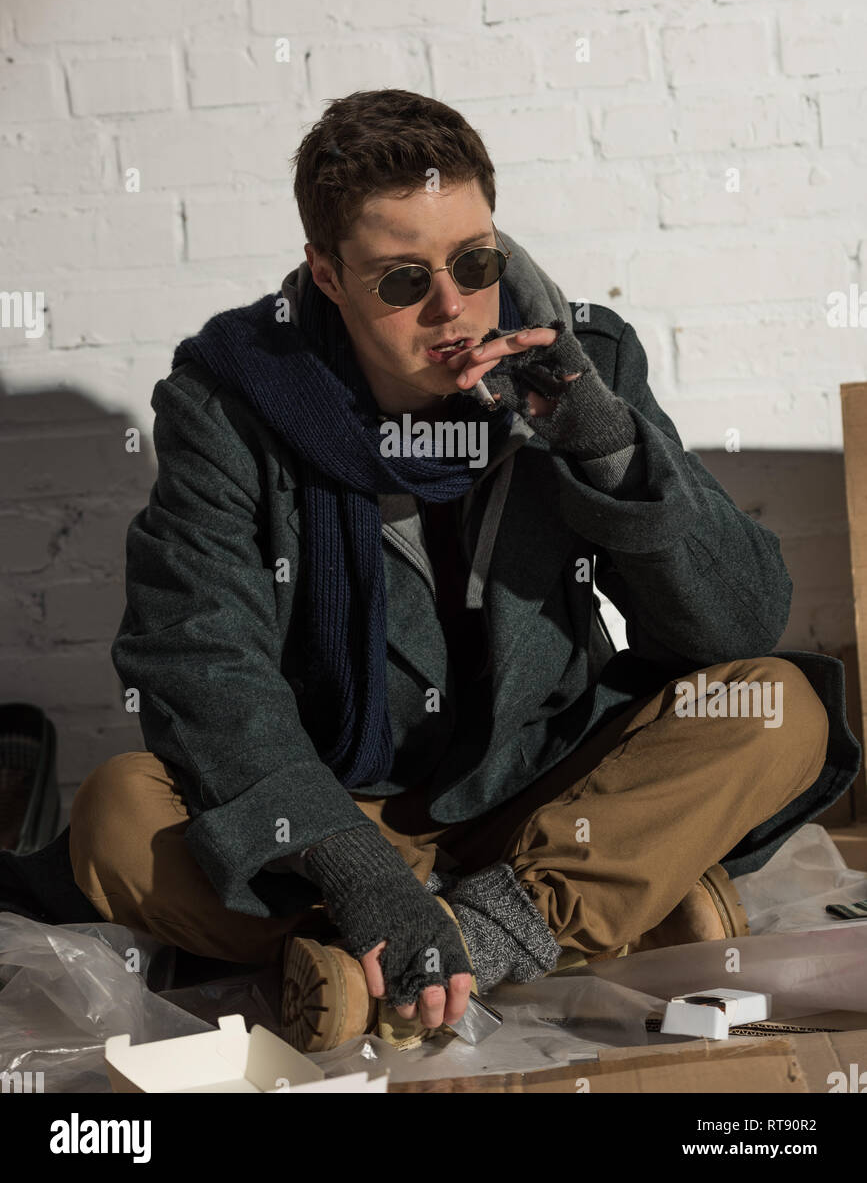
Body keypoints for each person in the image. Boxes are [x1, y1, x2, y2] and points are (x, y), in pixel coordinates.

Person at [64, 89, 859, 1052]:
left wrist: (603, 446)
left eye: (475, 264)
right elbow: (198, 660)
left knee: (773, 709)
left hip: (540, 788)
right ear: (326, 273)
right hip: (334, 805)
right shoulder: (228, 405)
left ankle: (441, 948)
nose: (453, 308)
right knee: (115, 816)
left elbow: (730, 627)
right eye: (403, 281)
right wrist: (354, 867)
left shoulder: (575, 358)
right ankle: (603, 914)